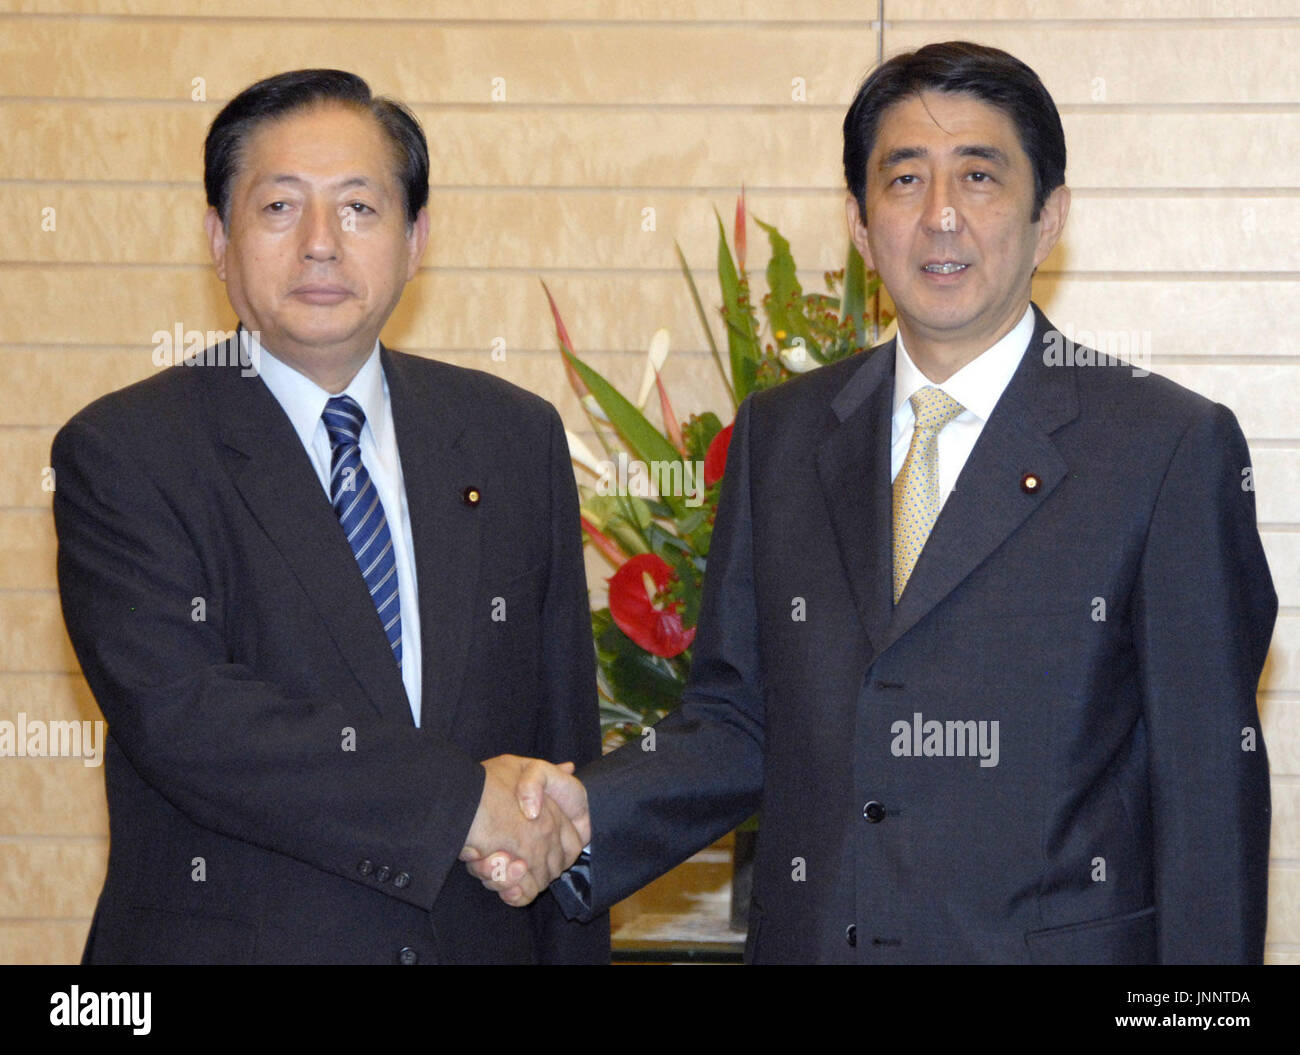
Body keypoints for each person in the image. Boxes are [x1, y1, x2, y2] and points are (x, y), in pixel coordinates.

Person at [471, 41, 1276, 964]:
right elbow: (738, 719)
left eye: (979, 176)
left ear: (1049, 216)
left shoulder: (1164, 447)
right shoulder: (783, 434)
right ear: (858, 222)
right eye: (904, 180)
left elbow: (1209, 785)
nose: (941, 217)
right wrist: (581, 816)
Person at [52, 69, 607, 964]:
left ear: (416, 237)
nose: (320, 244)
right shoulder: (127, 451)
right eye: (278, 207)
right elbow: (190, 719)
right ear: (217, 240)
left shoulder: (512, 438)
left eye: (359, 207)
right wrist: (462, 800)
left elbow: (562, 748)